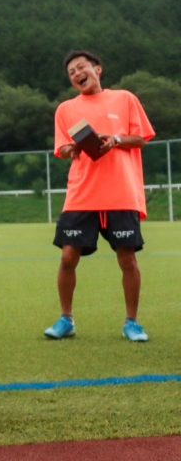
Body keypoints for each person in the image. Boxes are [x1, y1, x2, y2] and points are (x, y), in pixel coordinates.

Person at [45, 50, 155, 342]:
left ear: (98, 69)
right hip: (82, 194)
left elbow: (141, 139)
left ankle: (132, 322)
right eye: (71, 73)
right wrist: (75, 148)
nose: (76, 74)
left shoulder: (125, 99)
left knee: (127, 258)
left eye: (81, 67)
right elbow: (63, 150)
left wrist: (115, 140)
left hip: (121, 192)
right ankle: (66, 319)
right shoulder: (65, 109)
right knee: (68, 256)